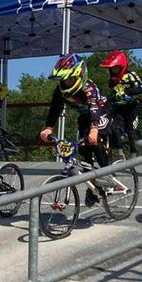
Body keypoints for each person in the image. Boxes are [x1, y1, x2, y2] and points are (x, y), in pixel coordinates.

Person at [39, 54, 112, 207]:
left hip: (101, 113)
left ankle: (108, 174)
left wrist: (94, 129)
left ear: (79, 74)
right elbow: (55, 109)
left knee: (96, 143)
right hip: (84, 117)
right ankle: (93, 188)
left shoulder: (88, 87)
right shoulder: (60, 90)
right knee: (84, 152)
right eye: (64, 79)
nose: (66, 82)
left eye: (70, 78)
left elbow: (94, 106)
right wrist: (48, 127)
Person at [100, 51, 142, 156]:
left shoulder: (130, 75)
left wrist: (128, 93)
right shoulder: (112, 79)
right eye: (111, 68)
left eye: (115, 68)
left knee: (131, 131)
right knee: (114, 128)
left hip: (131, 108)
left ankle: (134, 155)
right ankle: (119, 153)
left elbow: (141, 88)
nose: (113, 70)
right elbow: (113, 93)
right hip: (118, 107)